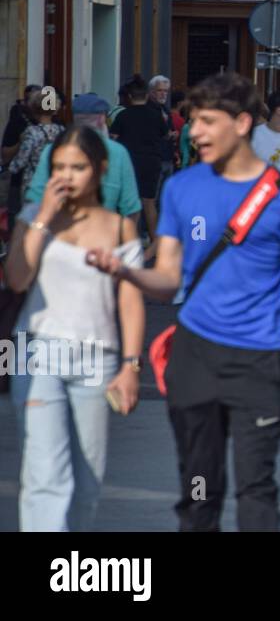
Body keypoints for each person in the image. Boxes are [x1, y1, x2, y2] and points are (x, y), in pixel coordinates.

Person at [87, 71, 280, 531]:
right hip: (194, 355)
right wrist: (127, 271)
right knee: (198, 491)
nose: (194, 132)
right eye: (192, 122)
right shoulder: (181, 188)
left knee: (256, 488)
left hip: (258, 359)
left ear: (240, 124)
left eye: (206, 122)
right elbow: (169, 277)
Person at [5, 127, 145, 531]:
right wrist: (43, 217)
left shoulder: (119, 228)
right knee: (43, 474)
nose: (67, 176)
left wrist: (131, 365)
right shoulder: (32, 219)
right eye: (59, 167)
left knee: (87, 479)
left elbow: (130, 299)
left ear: (100, 170)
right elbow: (16, 278)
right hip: (38, 354)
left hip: (96, 359)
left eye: (78, 167)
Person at [23, 94, 142, 222]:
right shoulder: (118, 152)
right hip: (105, 234)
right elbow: (131, 208)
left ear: (75, 119)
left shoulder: (53, 150)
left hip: (61, 233)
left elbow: (35, 198)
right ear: (102, 119)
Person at [11, 91, 65, 209]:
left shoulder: (32, 132)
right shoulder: (62, 131)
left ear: (34, 108)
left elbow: (20, 162)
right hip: (57, 183)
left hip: (34, 185)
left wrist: (10, 167)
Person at [3, 85, 43, 219]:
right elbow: (6, 156)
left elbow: (15, 164)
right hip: (20, 183)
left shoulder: (55, 126)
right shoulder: (17, 122)